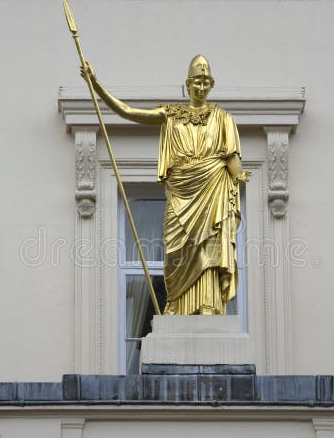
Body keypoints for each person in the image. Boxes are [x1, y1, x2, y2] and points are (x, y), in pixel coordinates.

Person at [82, 55, 249, 315]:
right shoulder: (171, 114)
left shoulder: (223, 118)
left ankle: (208, 303)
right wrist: (96, 85)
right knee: (175, 250)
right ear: (187, 83)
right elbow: (129, 112)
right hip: (180, 188)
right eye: (197, 81)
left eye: (206, 82)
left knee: (209, 244)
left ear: (211, 84)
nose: (201, 87)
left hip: (212, 183)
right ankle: (177, 304)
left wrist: (239, 175)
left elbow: (232, 156)